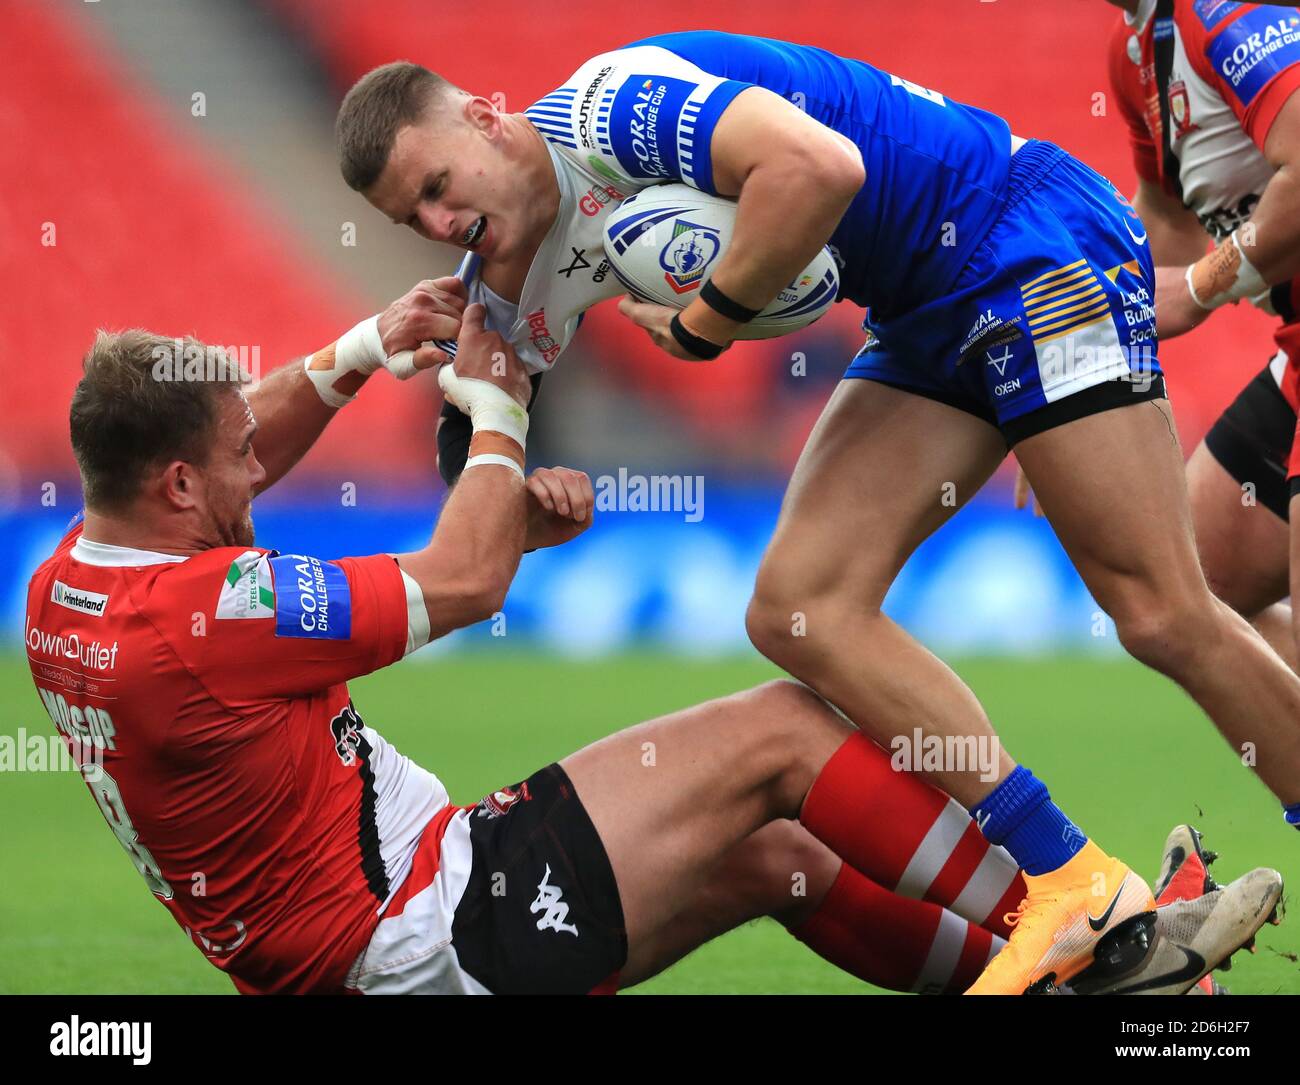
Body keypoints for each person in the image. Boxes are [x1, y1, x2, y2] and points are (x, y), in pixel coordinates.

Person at [333, 28, 1300, 993]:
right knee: (799, 604)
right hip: (924, 304)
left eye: (435, 185)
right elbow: (473, 450)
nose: (437, 220)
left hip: (1022, 235)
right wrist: (507, 473)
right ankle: (1076, 880)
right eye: (409, 218)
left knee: (1161, 609)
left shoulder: (611, 108)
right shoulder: (504, 273)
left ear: (486, 119)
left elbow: (818, 167)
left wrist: (703, 324)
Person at [26, 282, 1276, 994]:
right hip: (422, 934)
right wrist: (494, 404)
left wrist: (357, 352)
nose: (264, 467)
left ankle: (1091, 986)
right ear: (179, 488)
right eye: (239, 459)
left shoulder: (72, 583)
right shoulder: (203, 619)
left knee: (778, 851)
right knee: (785, 728)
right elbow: (457, 579)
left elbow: (252, 461)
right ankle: (1091, 927)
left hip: (375, 936)